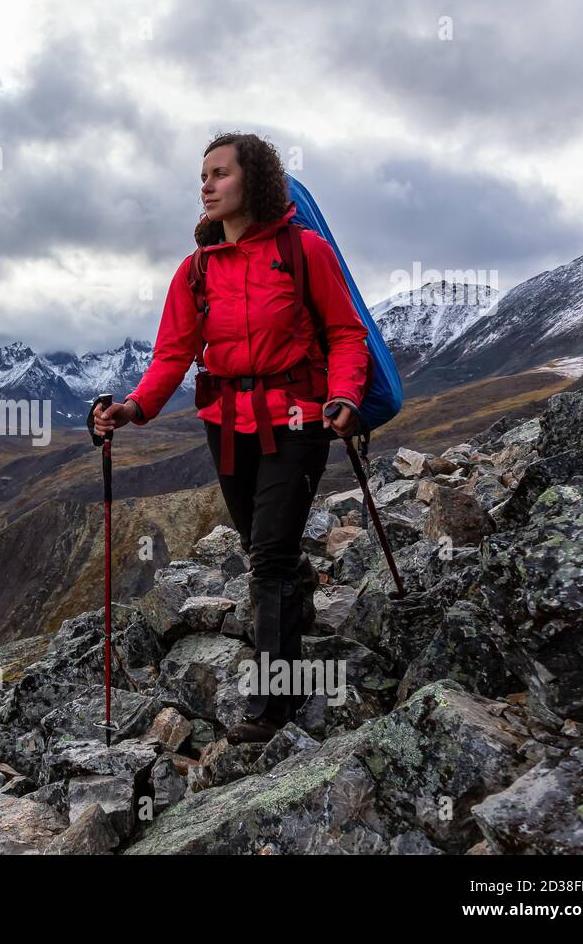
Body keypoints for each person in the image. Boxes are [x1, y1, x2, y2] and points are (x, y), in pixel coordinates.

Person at [92, 132, 371, 744]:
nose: (206, 185)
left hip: (298, 420)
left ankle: (275, 702)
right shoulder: (195, 271)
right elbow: (173, 355)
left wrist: (344, 395)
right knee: (262, 549)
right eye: (203, 176)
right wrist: (134, 408)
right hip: (227, 427)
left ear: (255, 181)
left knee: (269, 553)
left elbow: (346, 333)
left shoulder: (304, 252)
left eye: (219, 174)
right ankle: (294, 612)